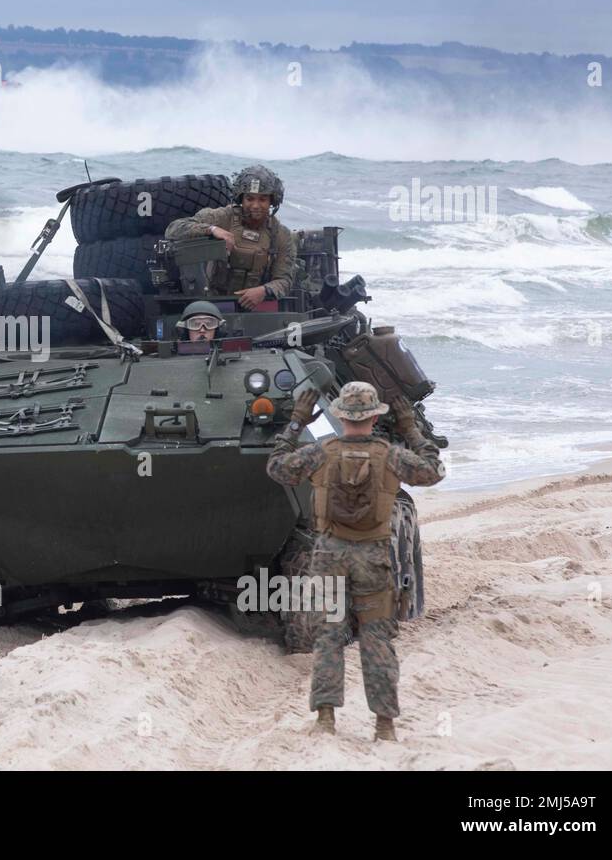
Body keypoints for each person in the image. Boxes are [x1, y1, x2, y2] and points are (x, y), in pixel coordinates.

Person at [265, 382, 445, 741]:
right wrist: (410, 428)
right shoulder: (390, 455)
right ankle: (384, 726)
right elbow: (433, 471)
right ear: (376, 415)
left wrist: (297, 422)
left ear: (339, 415)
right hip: (374, 556)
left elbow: (277, 468)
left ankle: (326, 720)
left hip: (330, 554)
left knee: (328, 636)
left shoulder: (320, 452)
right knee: (377, 639)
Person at [164, 165, 296, 310]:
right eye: (250, 199)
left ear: (272, 201)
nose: (256, 205)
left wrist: (264, 291)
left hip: (256, 304)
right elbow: (174, 229)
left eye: (263, 199)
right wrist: (212, 229)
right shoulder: (223, 217)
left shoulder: (280, 235)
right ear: (241, 199)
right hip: (213, 303)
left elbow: (284, 280)